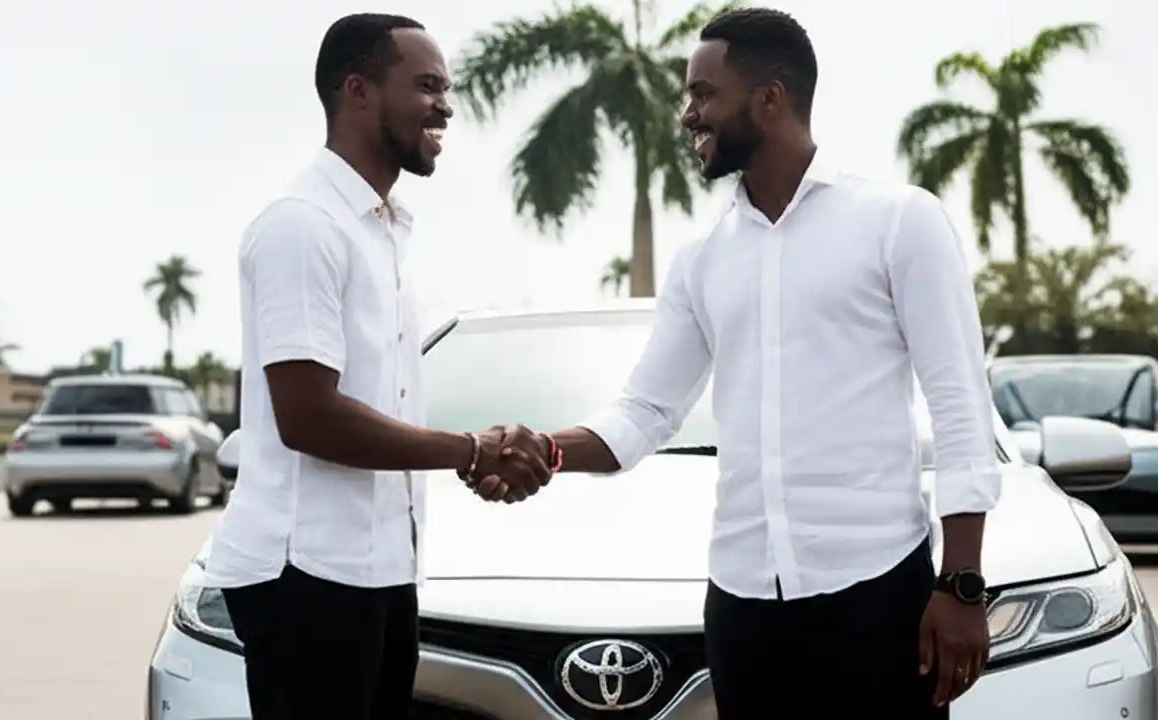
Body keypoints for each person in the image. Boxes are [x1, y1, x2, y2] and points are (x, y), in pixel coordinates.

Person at [477, 7, 999, 718]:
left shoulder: (899, 222)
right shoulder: (703, 260)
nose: (688, 114)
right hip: (744, 610)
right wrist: (544, 449)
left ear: (770, 99)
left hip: (878, 596)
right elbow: (644, 413)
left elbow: (960, 403)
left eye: (702, 94)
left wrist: (961, 582)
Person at [202, 13, 551, 720]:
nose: (446, 105)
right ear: (357, 91)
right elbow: (309, 416)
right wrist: (470, 449)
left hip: (380, 572)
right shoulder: (304, 225)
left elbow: (378, 406)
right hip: (305, 576)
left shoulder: (381, 232)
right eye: (426, 86)